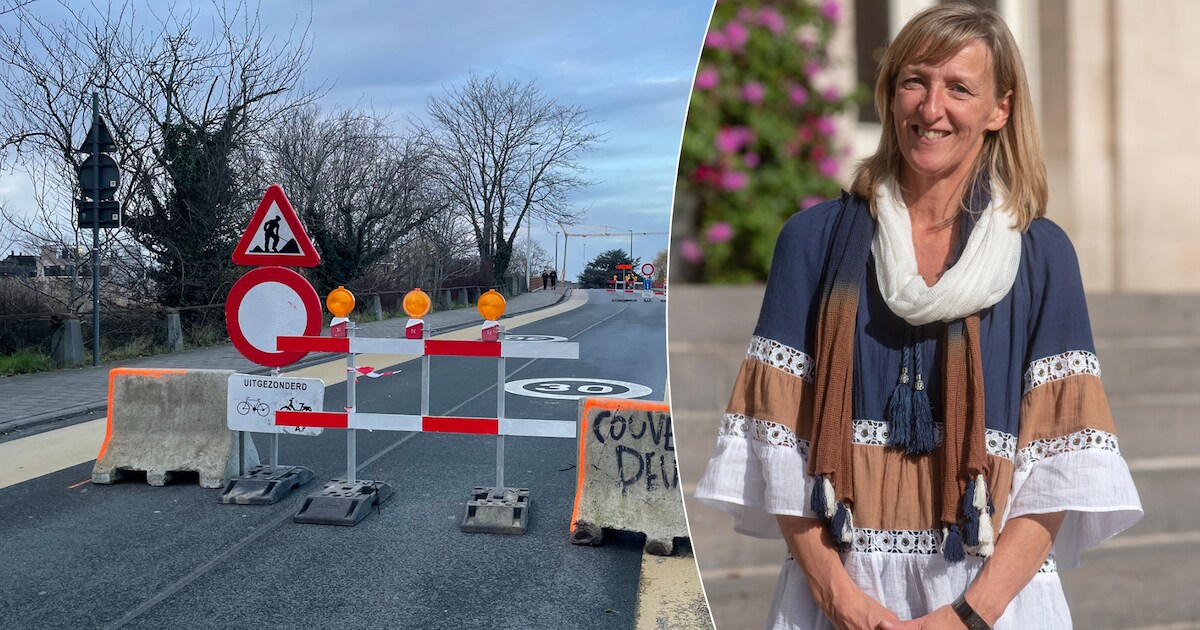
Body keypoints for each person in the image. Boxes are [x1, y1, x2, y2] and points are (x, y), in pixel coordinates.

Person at [694, 5, 1141, 629]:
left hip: (991, 604)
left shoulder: (1042, 256)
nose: (931, 109)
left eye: (959, 88)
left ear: (999, 109)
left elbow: (1058, 472)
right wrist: (844, 603)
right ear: (889, 93)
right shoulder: (812, 243)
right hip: (842, 598)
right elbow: (779, 450)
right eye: (915, 81)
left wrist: (966, 616)